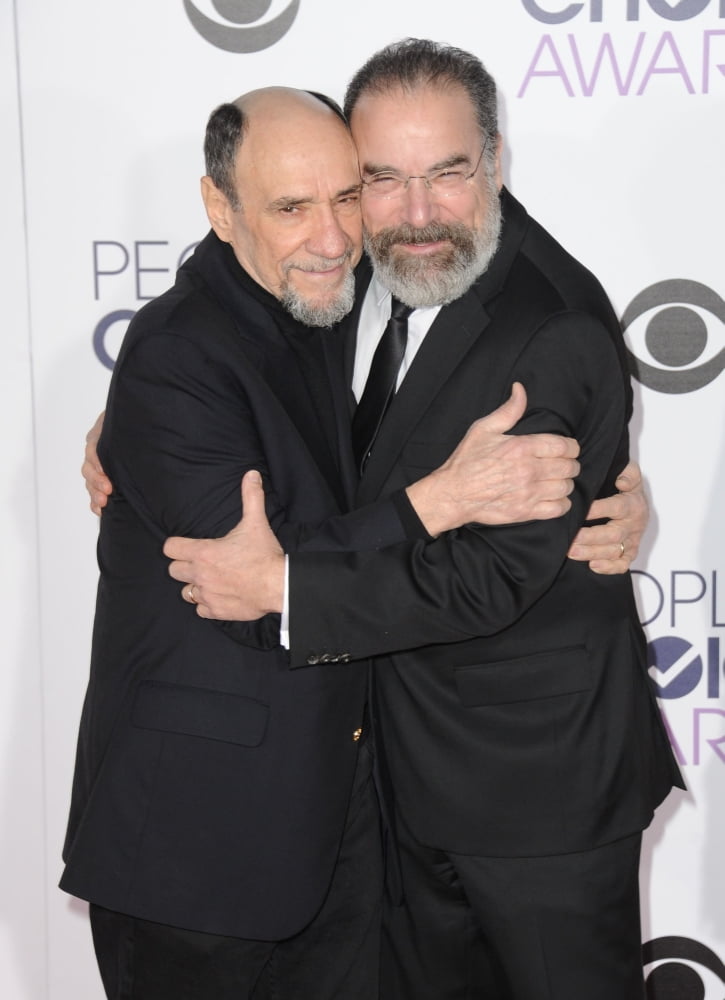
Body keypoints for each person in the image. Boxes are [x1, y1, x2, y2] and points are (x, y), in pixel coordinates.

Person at [163, 41, 682, 1000]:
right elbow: (241, 247)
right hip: (387, 786)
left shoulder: (550, 325)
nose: (413, 215)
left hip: (536, 797)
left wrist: (287, 592)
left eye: (445, 173)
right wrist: (133, 411)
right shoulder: (352, 264)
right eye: (379, 181)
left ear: (492, 160)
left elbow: (487, 575)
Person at [65, 86, 589, 1000]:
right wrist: (436, 501)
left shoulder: (330, 300)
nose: (334, 236)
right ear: (218, 208)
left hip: (343, 836)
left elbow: (459, 223)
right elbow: (254, 586)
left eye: (349, 195)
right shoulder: (176, 356)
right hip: (199, 850)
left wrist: (608, 468)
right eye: (291, 207)